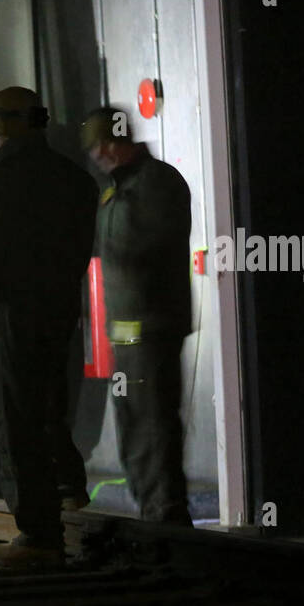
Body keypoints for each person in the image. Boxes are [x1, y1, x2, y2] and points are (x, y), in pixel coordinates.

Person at [0, 87, 99, 568]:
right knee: (49, 403)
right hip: (59, 309)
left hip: (12, 312)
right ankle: (67, 490)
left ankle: (38, 534)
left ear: (0, 126)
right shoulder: (76, 180)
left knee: (16, 415)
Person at [80, 106, 193, 526]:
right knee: (131, 424)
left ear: (115, 144)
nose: (98, 156)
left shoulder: (157, 183)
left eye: (101, 146)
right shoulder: (116, 190)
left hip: (152, 328)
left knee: (154, 423)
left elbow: (138, 245)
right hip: (125, 332)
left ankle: (167, 515)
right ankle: (149, 510)